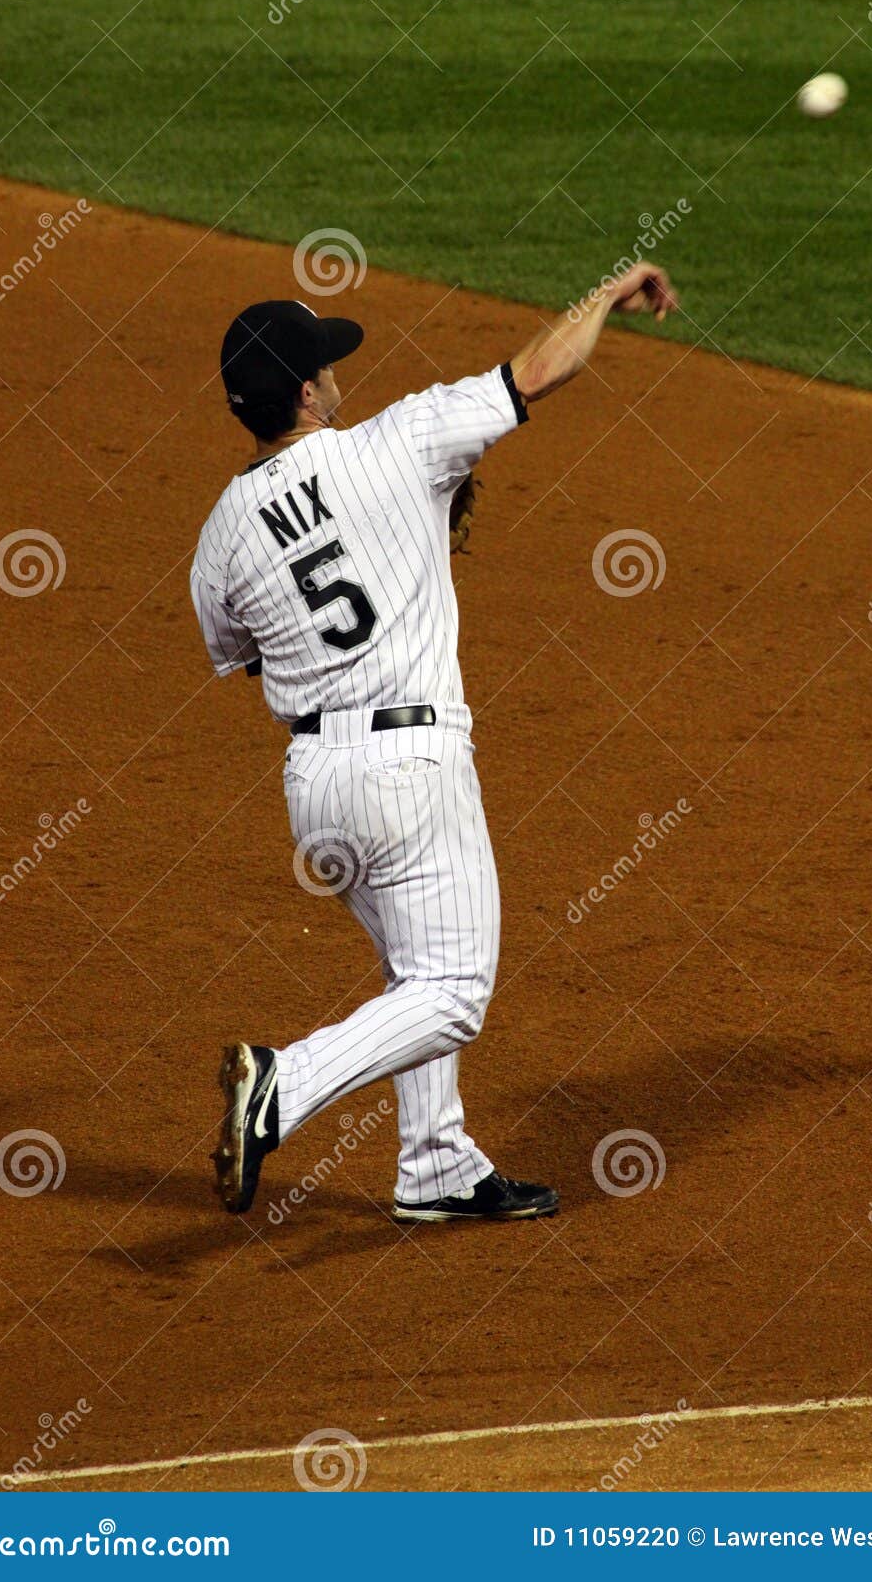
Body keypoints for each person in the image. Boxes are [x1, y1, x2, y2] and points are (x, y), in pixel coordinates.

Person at [190, 260, 677, 1221]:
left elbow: (238, 650)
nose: (338, 377)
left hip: (314, 784)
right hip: (409, 769)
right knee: (452, 991)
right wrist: (610, 289)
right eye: (324, 366)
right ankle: (283, 1083)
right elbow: (536, 371)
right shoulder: (400, 442)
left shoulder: (220, 534)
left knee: (412, 967)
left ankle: (436, 1165)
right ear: (304, 393)